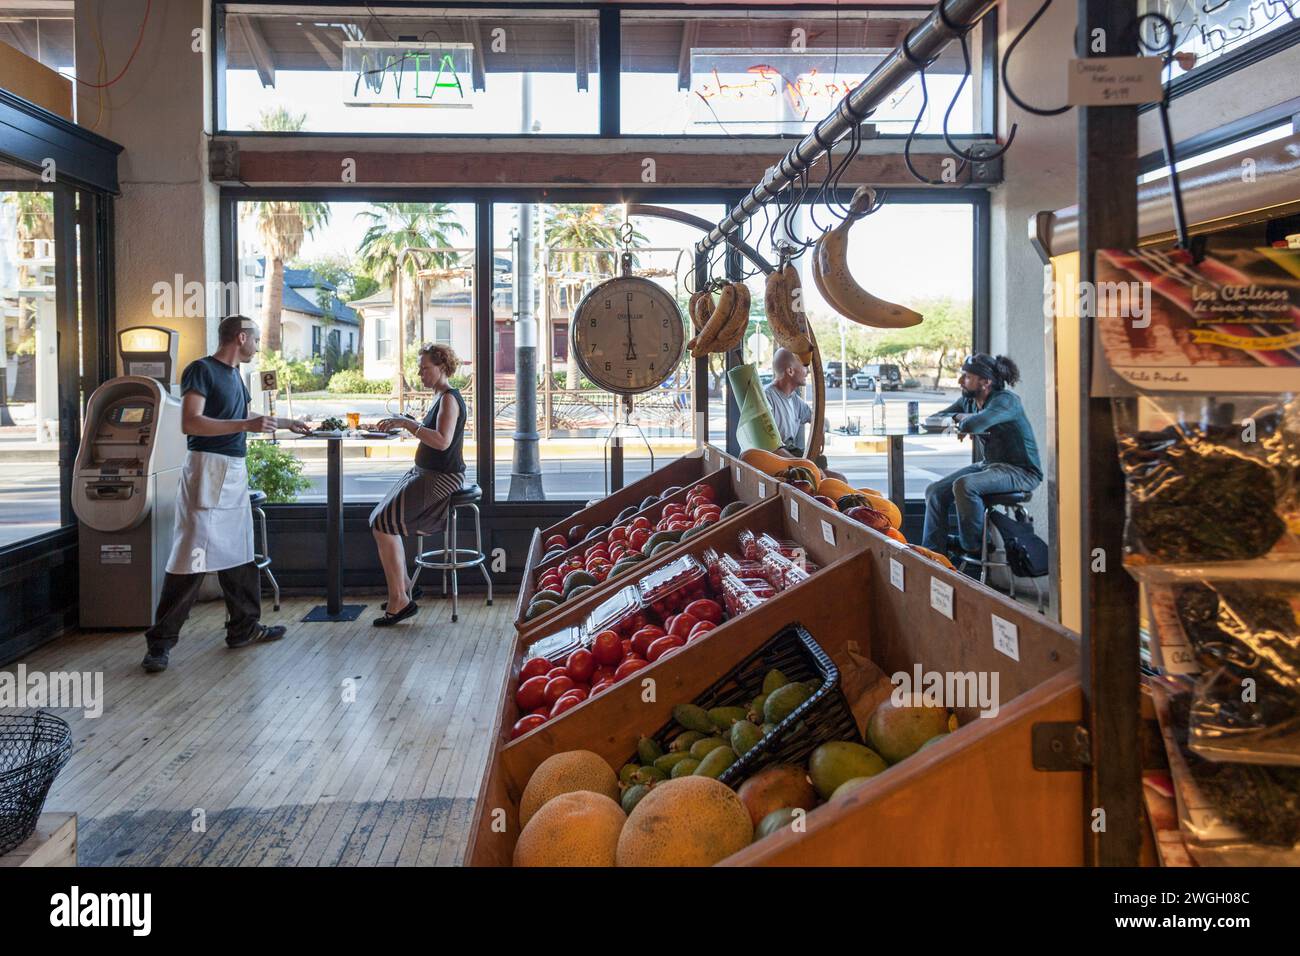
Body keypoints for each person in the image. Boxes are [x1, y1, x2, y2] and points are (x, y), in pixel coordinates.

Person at [142, 315, 311, 673]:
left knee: (239, 552)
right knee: (192, 557)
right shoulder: (200, 370)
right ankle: (160, 643)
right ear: (240, 337)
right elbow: (191, 422)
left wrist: (281, 423)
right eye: (255, 339)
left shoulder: (236, 375)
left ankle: (244, 628)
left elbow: (241, 415)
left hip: (233, 471)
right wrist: (245, 425)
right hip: (207, 469)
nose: (258, 345)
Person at [369, 343, 468, 627]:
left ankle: (399, 599)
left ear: (442, 368)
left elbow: (442, 441)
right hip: (425, 472)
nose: (421, 373)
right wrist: (408, 423)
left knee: (382, 524)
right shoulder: (440, 397)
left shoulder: (449, 398)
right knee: (379, 521)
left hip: (440, 477)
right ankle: (403, 590)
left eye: (426, 368)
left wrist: (407, 424)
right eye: (420, 368)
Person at [921, 353, 1042, 565]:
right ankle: (932, 558)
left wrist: (960, 419)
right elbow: (932, 420)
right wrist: (961, 417)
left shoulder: (1006, 401)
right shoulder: (969, 402)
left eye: (966, 376)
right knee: (935, 491)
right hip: (991, 465)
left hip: (1021, 471)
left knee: (964, 485)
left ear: (986, 382)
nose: (960, 381)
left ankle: (975, 546)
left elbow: (973, 425)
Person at [763, 348, 846, 481]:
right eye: (804, 366)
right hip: (776, 465)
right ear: (790, 371)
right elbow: (773, 448)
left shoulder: (794, 399)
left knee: (840, 479)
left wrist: (821, 431)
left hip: (790, 458)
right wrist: (807, 467)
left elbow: (820, 420)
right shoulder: (766, 398)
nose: (807, 371)